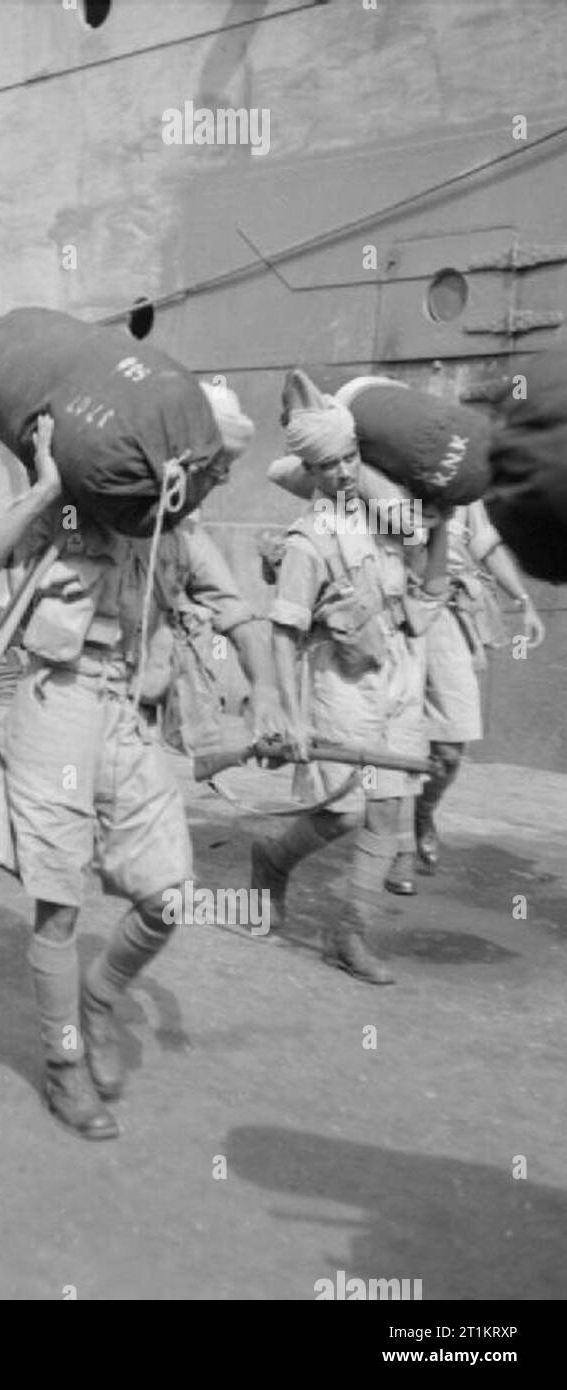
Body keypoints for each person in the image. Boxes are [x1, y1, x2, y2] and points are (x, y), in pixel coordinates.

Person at [0, 392, 286, 1140]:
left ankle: (98, 1000)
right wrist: (40, 485)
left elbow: (236, 615)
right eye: (221, 466)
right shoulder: (65, 508)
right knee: (58, 901)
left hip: (129, 718)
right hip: (55, 709)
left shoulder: (182, 534)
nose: (225, 481)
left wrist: (265, 692)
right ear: (186, 459)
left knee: (168, 895)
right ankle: (64, 1065)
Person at [251, 376, 449, 986]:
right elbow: (283, 632)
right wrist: (287, 714)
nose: (342, 473)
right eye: (329, 464)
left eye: (350, 459)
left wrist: (442, 521)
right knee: (340, 814)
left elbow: (423, 592)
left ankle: (348, 935)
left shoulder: (386, 519)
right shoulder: (308, 542)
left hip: (397, 679)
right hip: (339, 684)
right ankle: (272, 864)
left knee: (389, 818)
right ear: (310, 470)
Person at [393, 501, 544, 883]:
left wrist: (523, 602)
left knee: (449, 748)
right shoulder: (384, 471)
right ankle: (391, 842)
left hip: (448, 616)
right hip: (389, 611)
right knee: (387, 739)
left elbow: (485, 547)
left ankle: (422, 811)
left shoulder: (463, 489)